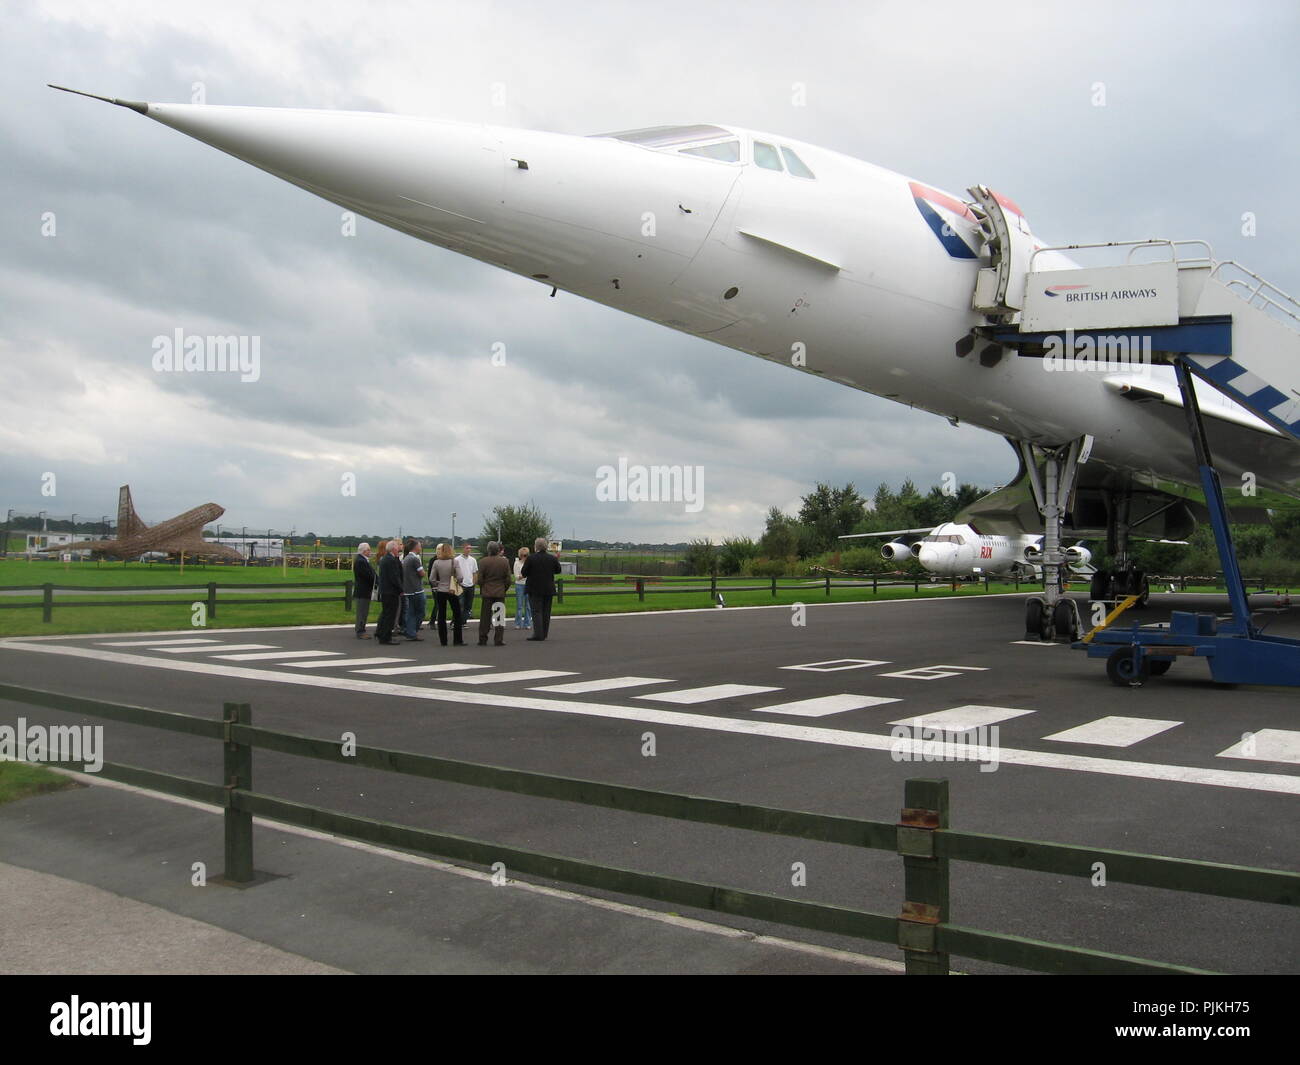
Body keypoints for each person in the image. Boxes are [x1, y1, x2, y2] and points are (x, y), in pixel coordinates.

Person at [521, 537, 561, 641]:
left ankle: (538, 634)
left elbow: (524, 572)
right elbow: (558, 570)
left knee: (536, 611)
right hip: (548, 588)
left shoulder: (531, 558)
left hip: (534, 588)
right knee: (546, 611)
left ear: (536, 547)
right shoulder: (552, 558)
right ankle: (544, 633)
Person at [429, 542, 465, 646]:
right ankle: (457, 640)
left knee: (441, 615)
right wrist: (457, 582)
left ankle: (443, 640)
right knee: (457, 614)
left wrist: (438, 584)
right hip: (452, 590)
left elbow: (432, 579)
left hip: (441, 590)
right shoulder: (454, 562)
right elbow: (460, 577)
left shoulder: (436, 562)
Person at [476, 542, 512, 646]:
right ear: (498, 550)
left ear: (488, 550)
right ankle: (498, 639)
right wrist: (504, 589)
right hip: (499, 592)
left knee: (485, 617)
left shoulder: (483, 562)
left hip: (487, 592)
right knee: (499, 617)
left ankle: (482, 638)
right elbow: (508, 579)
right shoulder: (504, 562)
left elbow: (480, 579)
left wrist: (483, 587)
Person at [375, 538, 404, 645]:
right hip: (391, 591)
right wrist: (401, 589)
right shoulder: (391, 560)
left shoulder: (385, 559)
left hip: (385, 590)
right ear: (393, 549)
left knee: (386, 613)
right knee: (390, 615)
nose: (398, 550)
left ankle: (381, 633)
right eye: (397, 549)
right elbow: (394, 577)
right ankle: (386, 637)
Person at [400, 538, 427, 641]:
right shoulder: (415, 559)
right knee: (420, 611)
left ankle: (410, 631)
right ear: (415, 547)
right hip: (416, 589)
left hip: (408, 589)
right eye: (419, 545)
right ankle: (412, 631)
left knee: (410, 611)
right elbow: (422, 573)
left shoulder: (405, 558)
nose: (420, 547)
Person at [352, 542, 376, 638]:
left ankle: (361, 629)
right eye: (369, 550)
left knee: (363, 611)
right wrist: (376, 580)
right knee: (362, 612)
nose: (370, 551)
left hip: (364, 590)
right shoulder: (361, 561)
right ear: (364, 551)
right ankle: (360, 631)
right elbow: (368, 575)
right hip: (363, 591)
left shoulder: (362, 560)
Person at [454, 541, 479, 623]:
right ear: (463, 549)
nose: (468, 550)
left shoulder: (473, 560)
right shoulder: (457, 560)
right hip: (461, 585)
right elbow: (454, 573)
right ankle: (456, 621)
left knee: (468, 606)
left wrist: (474, 583)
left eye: (470, 548)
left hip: (470, 585)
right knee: (460, 605)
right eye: (467, 548)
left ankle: (463, 621)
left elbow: (475, 572)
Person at [513, 545, 533, 629]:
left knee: (528, 606)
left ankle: (527, 623)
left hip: (528, 585)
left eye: (526, 555)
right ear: (520, 555)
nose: (525, 557)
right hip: (519, 585)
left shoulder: (530, 563)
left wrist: (524, 575)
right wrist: (524, 575)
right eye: (523, 555)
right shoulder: (517, 563)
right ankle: (518, 623)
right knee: (519, 605)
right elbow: (517, 576)